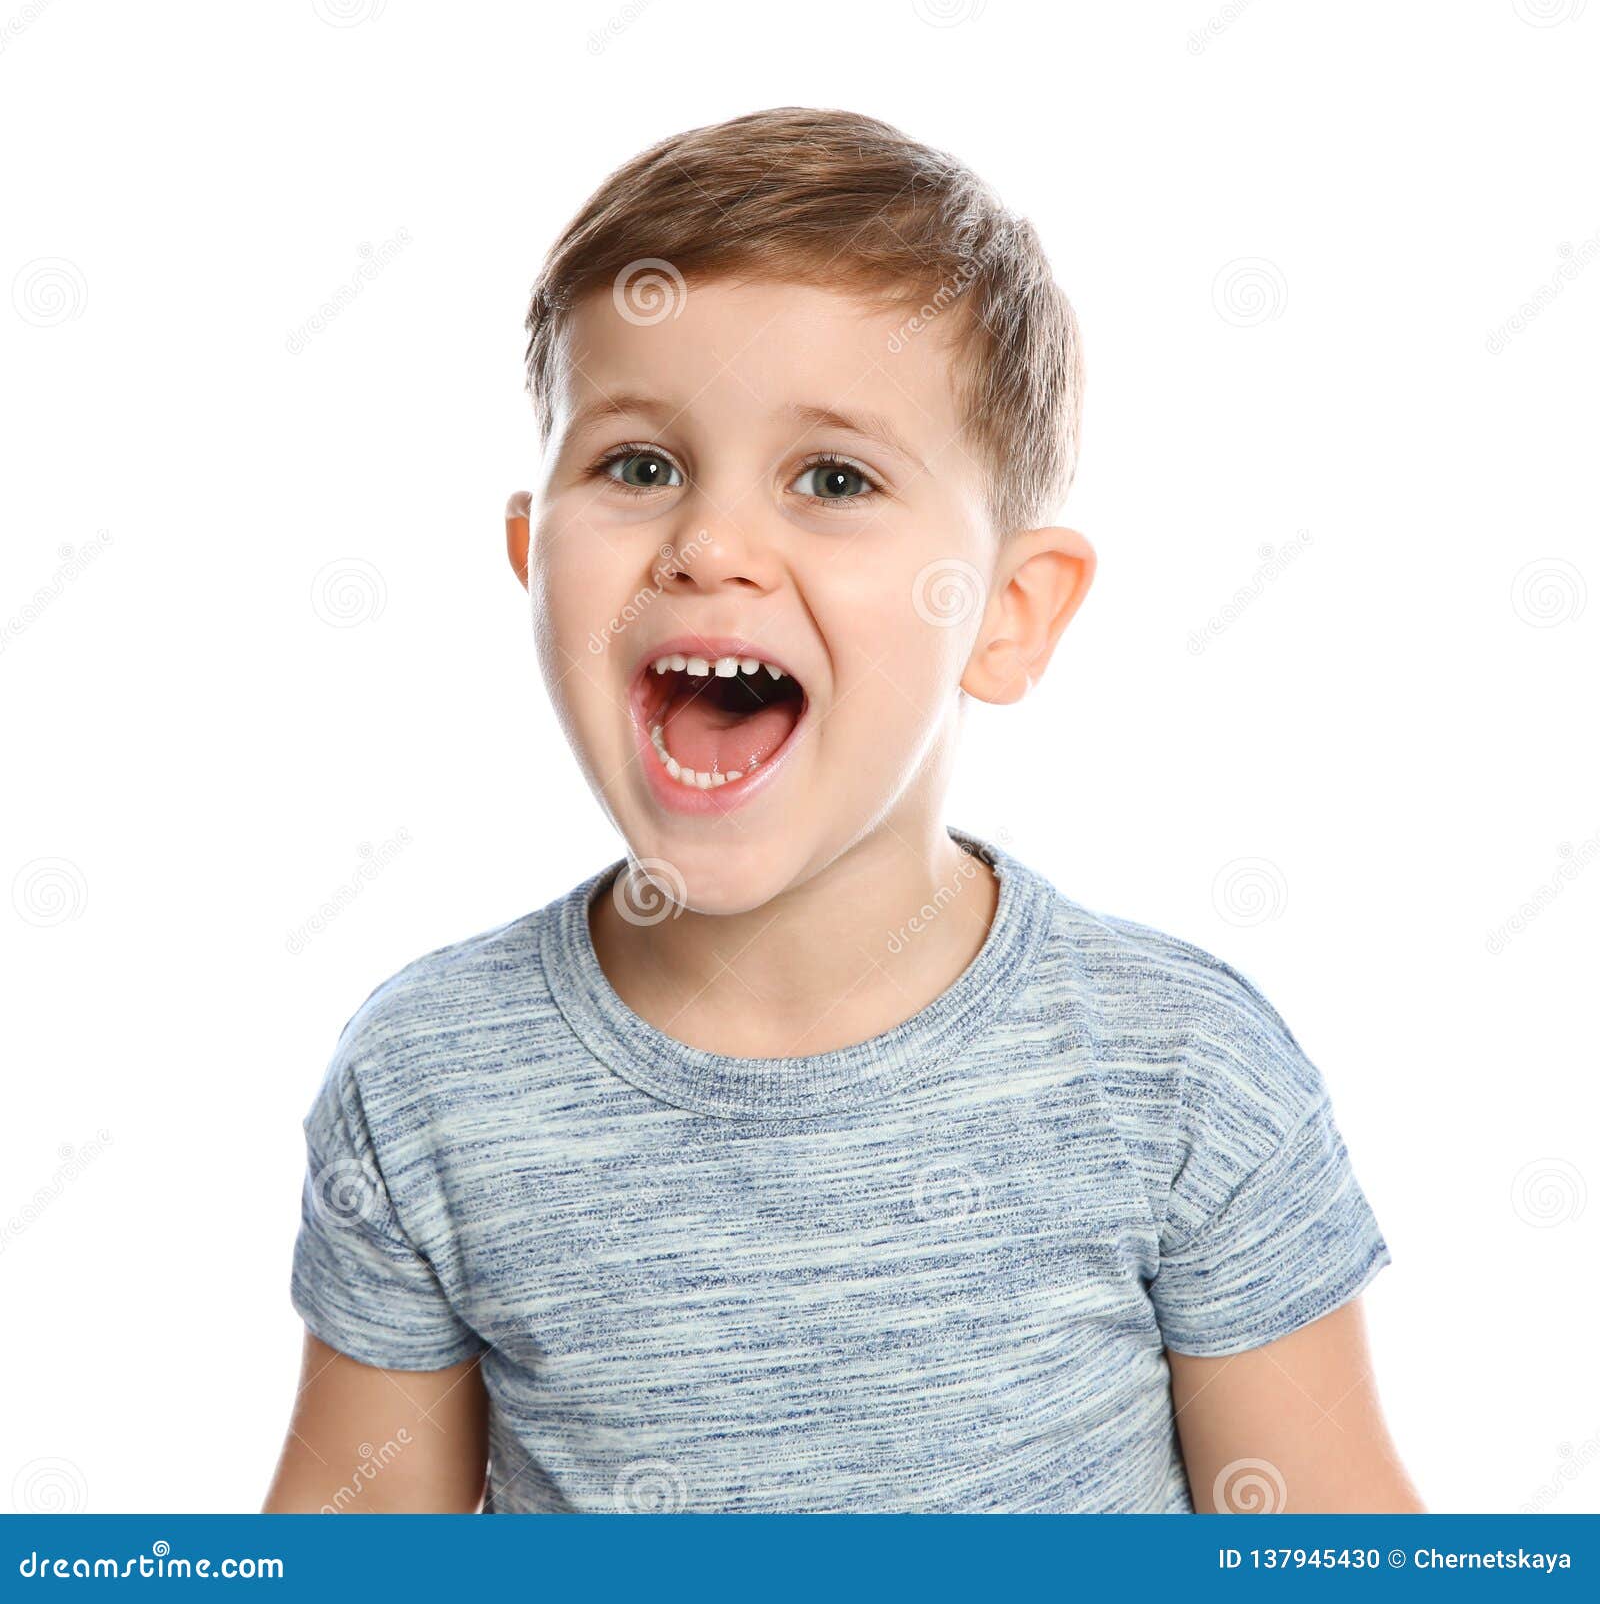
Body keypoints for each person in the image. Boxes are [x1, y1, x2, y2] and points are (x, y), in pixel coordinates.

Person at [264, 106, 1422, 1515]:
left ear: (1007, 613)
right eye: (639, 466)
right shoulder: (430, 1081)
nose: (711, 547)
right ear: (529, 557)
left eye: (833, 478)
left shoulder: (1179, 1078)